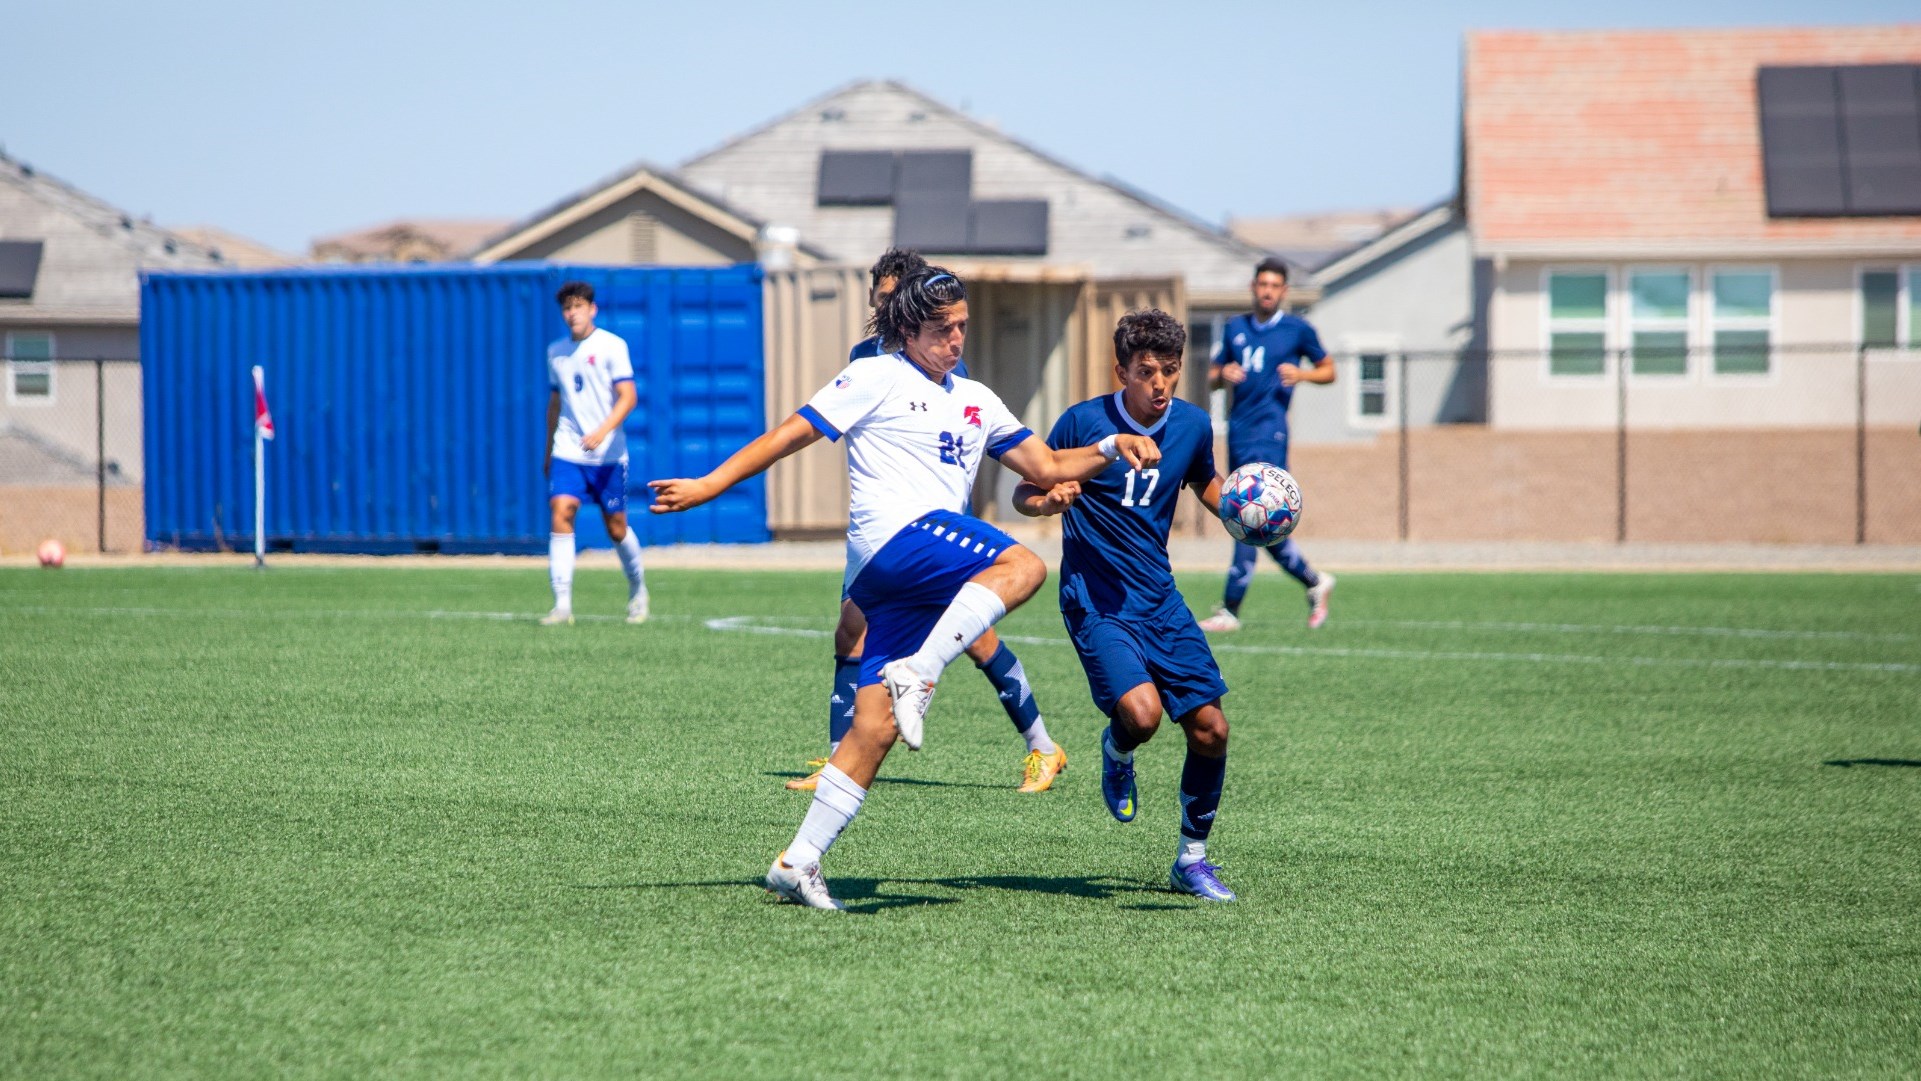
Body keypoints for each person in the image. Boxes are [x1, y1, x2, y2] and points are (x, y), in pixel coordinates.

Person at [649, 266, 1160, 910]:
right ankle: (920, 673)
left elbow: (1049, 466)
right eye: (942, 328)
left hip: (907, 579)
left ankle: (797, 860)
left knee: (876, 727)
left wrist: (1114, 444)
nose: (956, 338)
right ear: (907, 328)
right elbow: (790, 434)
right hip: (896, 539)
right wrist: (709, 484)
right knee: (1025, 567)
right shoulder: (875, 376)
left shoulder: (976, 397)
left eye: (963, 326)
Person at [792, 247, 1064, 796]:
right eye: (884, 294)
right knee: (850, 630)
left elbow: (961, 434)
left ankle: (1042, 746)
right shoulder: (865, 358)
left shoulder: (945, 362)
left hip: (928, 523)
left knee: (977, 639)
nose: (891, 303)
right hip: (880, 527)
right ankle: (837, 756)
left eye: (899, 294)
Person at [1013, 309, 1238, 902]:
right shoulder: (1081, 422)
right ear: (1122, 371)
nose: (1160, 383)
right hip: (1096, 599)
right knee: (1142, 717)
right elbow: (1025, 490)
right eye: (1147, 371)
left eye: (1170, 370)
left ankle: (1192, 859)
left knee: (1212, 730)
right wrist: (1047, 502)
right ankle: (1117, 751)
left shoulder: (1191, 426)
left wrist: (1247, 510)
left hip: (1160, 599)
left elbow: (1205, 484)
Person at [1198, 258, 1337, 632]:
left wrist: (1303, 374)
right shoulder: (1235, 328)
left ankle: (1230, 609)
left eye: (1275, 286)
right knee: (1264, 527)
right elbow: (1211, 377)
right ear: (1253, 287)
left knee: (1243, 512)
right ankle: (1313, 581)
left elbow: (1330, 370)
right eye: (1262, 285)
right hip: (1239, 432)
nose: (1268, 291)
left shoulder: (1297, 329)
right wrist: (1221, 374)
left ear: (1284, 291)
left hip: (1271, 433)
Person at [542, 280, 648, 626]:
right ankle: (562, 604)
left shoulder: (612, 346)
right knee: (562, 509)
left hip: (608, 455)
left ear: (592, 309)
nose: (572, 314)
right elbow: (555, 403)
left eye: (578, 307)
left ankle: (638, 588)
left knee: (616, 528)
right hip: (568, 449)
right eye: (567, 308)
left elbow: (628, 396)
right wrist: (548, 451)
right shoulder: (555, 351)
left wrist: (602, 431)